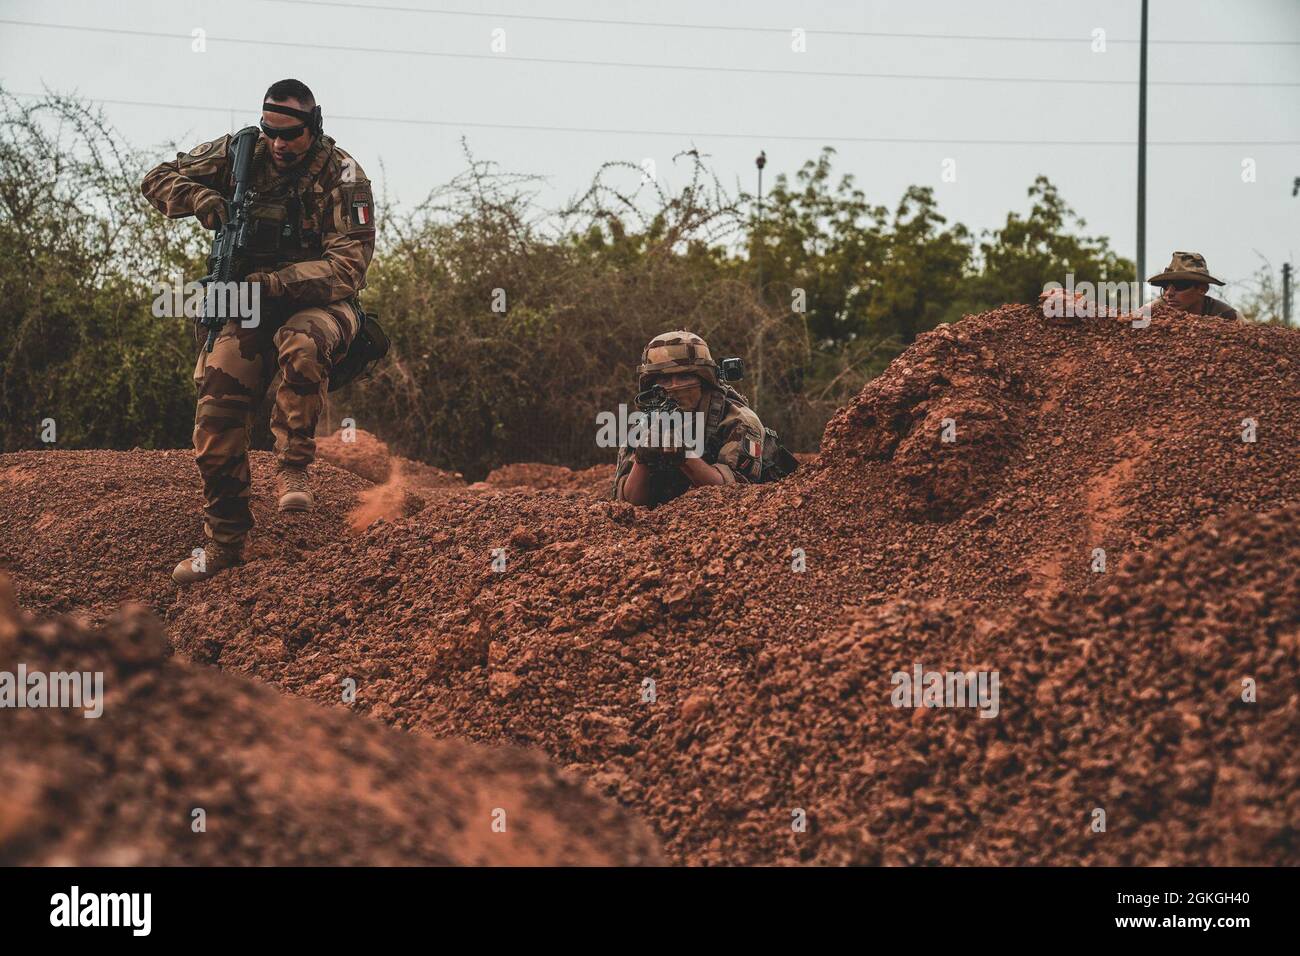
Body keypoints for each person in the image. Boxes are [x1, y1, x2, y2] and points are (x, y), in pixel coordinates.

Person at [141, 78, 376, 583]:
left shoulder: (344, 175)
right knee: (216, 406)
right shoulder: (240, 153)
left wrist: (274, 281)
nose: (279, 144)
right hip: (244, 302)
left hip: (320, 301)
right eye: (271, 132)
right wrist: (200, 197)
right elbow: (156, 177)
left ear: (313, 128)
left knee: (301, 344)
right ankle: (224, 544)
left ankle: (292, 464)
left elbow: (348, 268)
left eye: (290, 135)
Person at [613, 331, 780, 507]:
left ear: (704, 379)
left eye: (685, 376)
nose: (675, 386)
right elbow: (627, 504)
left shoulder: (738, 421)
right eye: (664, 379)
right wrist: (643, 459)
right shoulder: (645, 425)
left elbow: (736, 495)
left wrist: (683, 455)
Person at [1143, 251, 1239, 320]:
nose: (1169, 293)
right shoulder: (1151, 310)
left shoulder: (1226, 314)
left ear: (1202, 289)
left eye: (1180, 285)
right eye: (1165, 286)